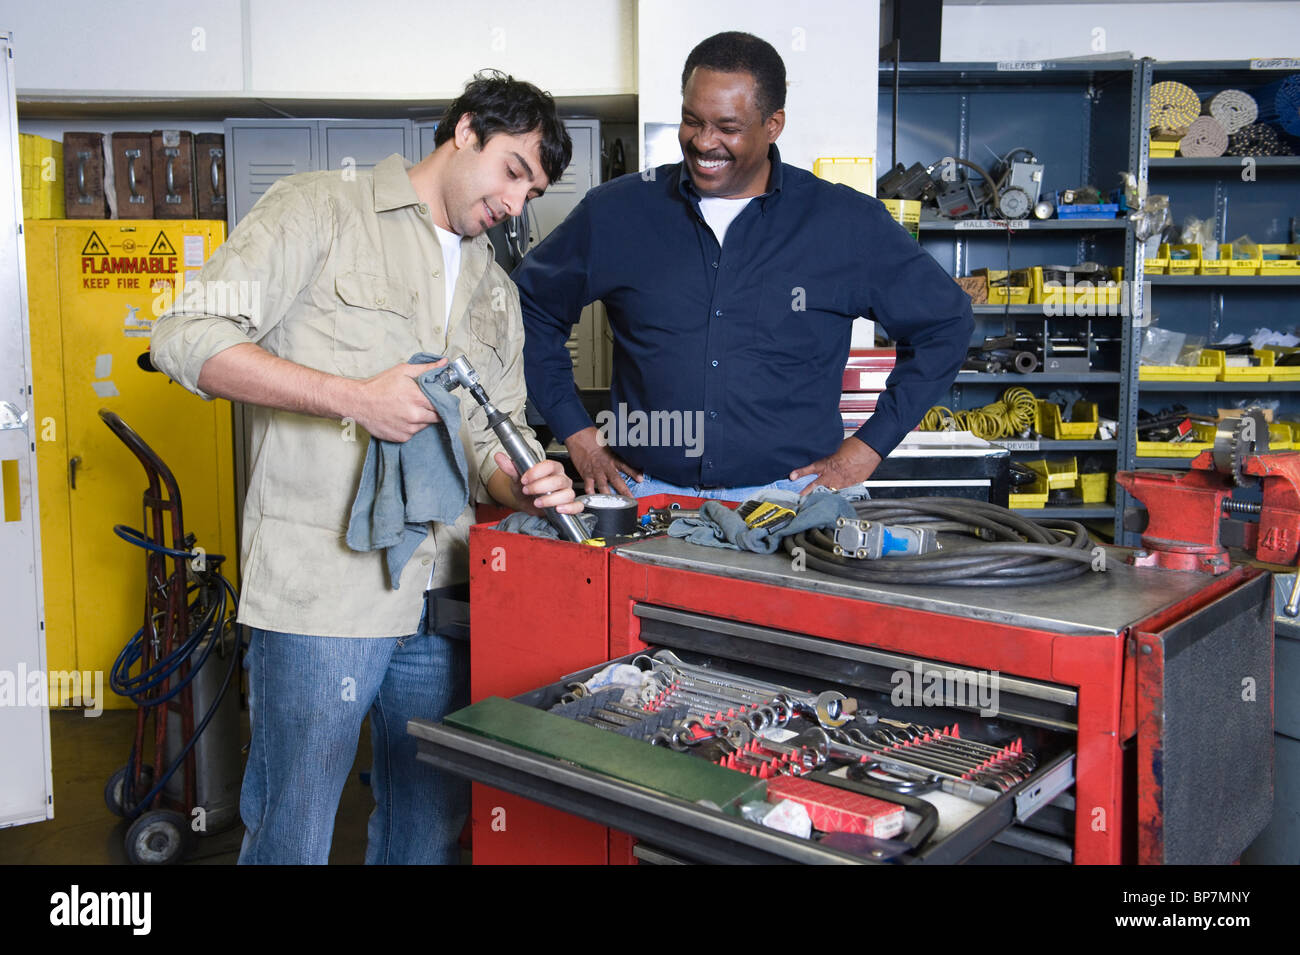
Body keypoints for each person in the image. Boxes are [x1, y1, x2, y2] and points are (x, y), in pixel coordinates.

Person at [149, 71, 580, 865]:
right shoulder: (319, 209)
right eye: (513, 172)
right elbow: (185, 335)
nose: (517, 204)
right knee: (294, 829)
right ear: (465, 131)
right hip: (323, 595)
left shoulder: (494, 289)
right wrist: (353, 397)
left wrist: (518, 479)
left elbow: (495, 432)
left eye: (535, 190)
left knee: (425, 828)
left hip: (442, 595)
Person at [518, 32, 974, 502]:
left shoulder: (845, 223)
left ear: (773, 124)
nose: (703, 142)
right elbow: (528, 307)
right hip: (645, 495)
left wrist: (869, 447)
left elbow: (946, 323)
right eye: (691, 120)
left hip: (791, 501)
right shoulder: (616, 213)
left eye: (727, 127)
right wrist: (575, 431)